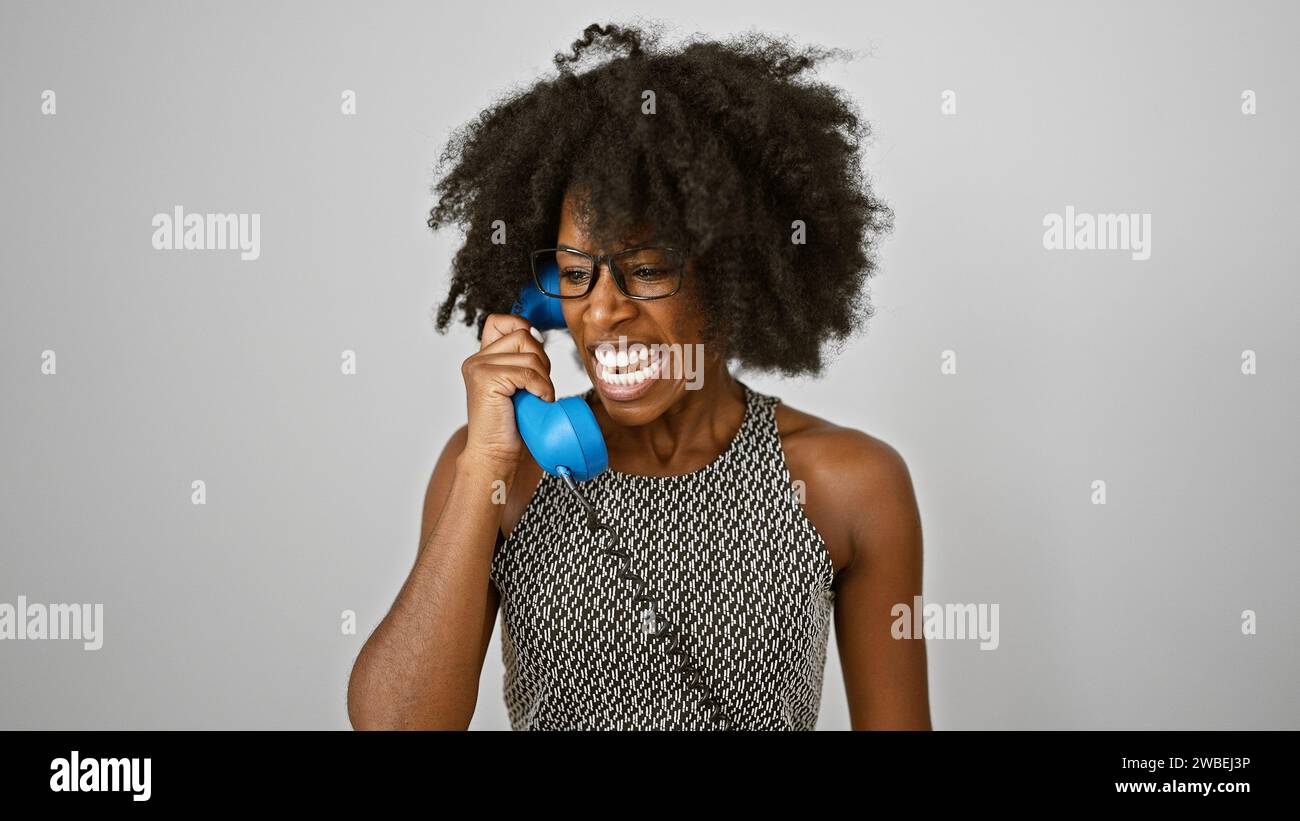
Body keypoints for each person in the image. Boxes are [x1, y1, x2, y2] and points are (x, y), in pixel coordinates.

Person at [347, 22, 929, 730]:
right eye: (573, 274)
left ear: (731, 274)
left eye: (647, 269)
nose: (603, 312)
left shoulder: (850, 483)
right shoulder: (499, 473)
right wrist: (485, 464)